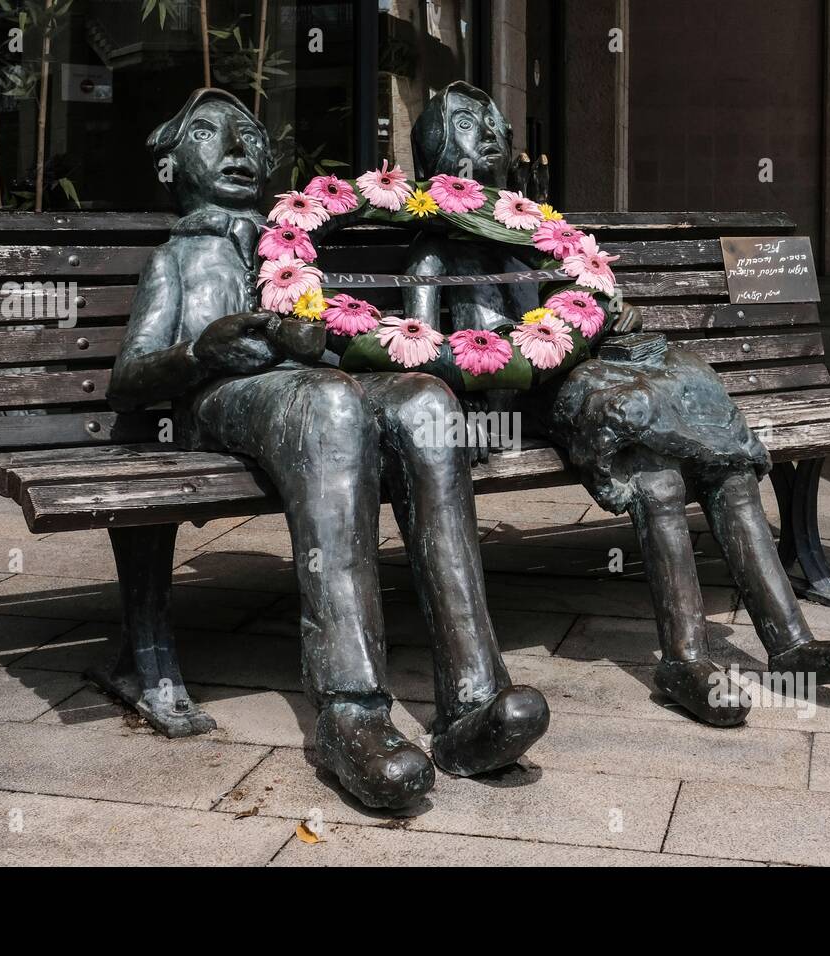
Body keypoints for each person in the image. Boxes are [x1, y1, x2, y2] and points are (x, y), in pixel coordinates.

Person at [108, 88, 548, 810]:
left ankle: (473, 696)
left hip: (309, 389)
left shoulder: (298, 239)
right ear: (170, 160)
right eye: (211, 135)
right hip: (223, 400)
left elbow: (348, 331)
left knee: (425, 401)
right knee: (330, 404)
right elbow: (129, 379)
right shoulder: (180, 257)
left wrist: (328, 338)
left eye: (251, 137)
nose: (238, 150)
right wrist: (201, 349)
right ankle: (351, 711)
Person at [403, 82, 830, 728]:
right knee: (656, 476)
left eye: (493, 124)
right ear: (435, 155)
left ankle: (789, 640)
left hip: (585, 378)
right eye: (465, 125)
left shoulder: (533, 234)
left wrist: (600, 310)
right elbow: (421, 350)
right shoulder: (433, 250)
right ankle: (685, 658)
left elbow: (582, 304)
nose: (488, 135)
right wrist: (477, 394)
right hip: (531, 404)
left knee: (725, 465)